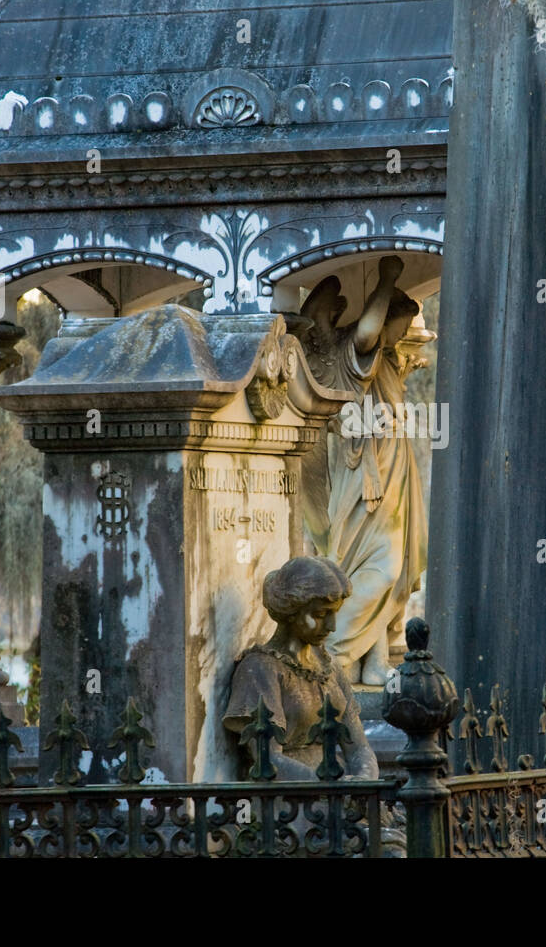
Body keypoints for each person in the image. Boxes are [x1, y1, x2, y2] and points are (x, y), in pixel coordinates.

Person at [292, 256, 428, 686]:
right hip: (362, 481)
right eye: (399, 328)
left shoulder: (387, 362)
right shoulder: (354, 350)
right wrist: (386, 281)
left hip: (393, 479)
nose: (402, 338)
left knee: (395, 573)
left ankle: (372, 659)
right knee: (380, 570)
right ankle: (332, 654)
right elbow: (368, 332)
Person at [222, 556, 378, 781]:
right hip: (289, 796)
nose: (332, 626)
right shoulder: (260, 669)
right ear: (290, 611)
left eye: (335, 613)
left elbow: (359, 748)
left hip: (339, 787)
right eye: (320, 615)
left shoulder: (330, 666)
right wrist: (328, 786)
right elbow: (268, 760)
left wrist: (365, 780)